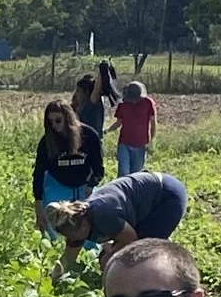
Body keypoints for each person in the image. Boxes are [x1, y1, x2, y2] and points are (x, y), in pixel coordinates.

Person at [47, 171, 189, 283]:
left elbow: (131, 239)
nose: (72, 241)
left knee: (145, 251)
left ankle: (168, 279)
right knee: (113, 259)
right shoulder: (76, 224)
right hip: (142, 205)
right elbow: (67, 259)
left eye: (72, 237)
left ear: (84, 225)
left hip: (166, 195)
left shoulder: (102, 214)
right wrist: (53, 281)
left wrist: (110, 254)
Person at [31, 99, 102, 236]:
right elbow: (39, 173)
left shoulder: (89, 136)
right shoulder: (46, 142)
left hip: (83, 185)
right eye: (50, 122)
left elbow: (98, 168)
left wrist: (91, 185)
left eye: (58, 120)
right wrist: (38, 205)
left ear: (68, 118)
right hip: (57, 184)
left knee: (87, 224)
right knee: (53, 223)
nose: (54, 126)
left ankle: (88, 253)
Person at [111, 80, 157, 176]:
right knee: (123, 172)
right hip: (124, 143)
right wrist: (107, 130)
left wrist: (150, 141)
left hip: (141, 144)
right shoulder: (123, 104)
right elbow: (119, 122)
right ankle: (122, 190)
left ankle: (133, 191)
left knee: (135, 174)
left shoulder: (148, 103)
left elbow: (153, 123)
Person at [71, 73, 109, 157]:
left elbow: (97, 89)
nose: (76, 94)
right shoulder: (79, 106)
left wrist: (102, 68)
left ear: (86, 92)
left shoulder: (92, 104)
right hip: (80, 144)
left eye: (78, 91)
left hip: (92, 144)